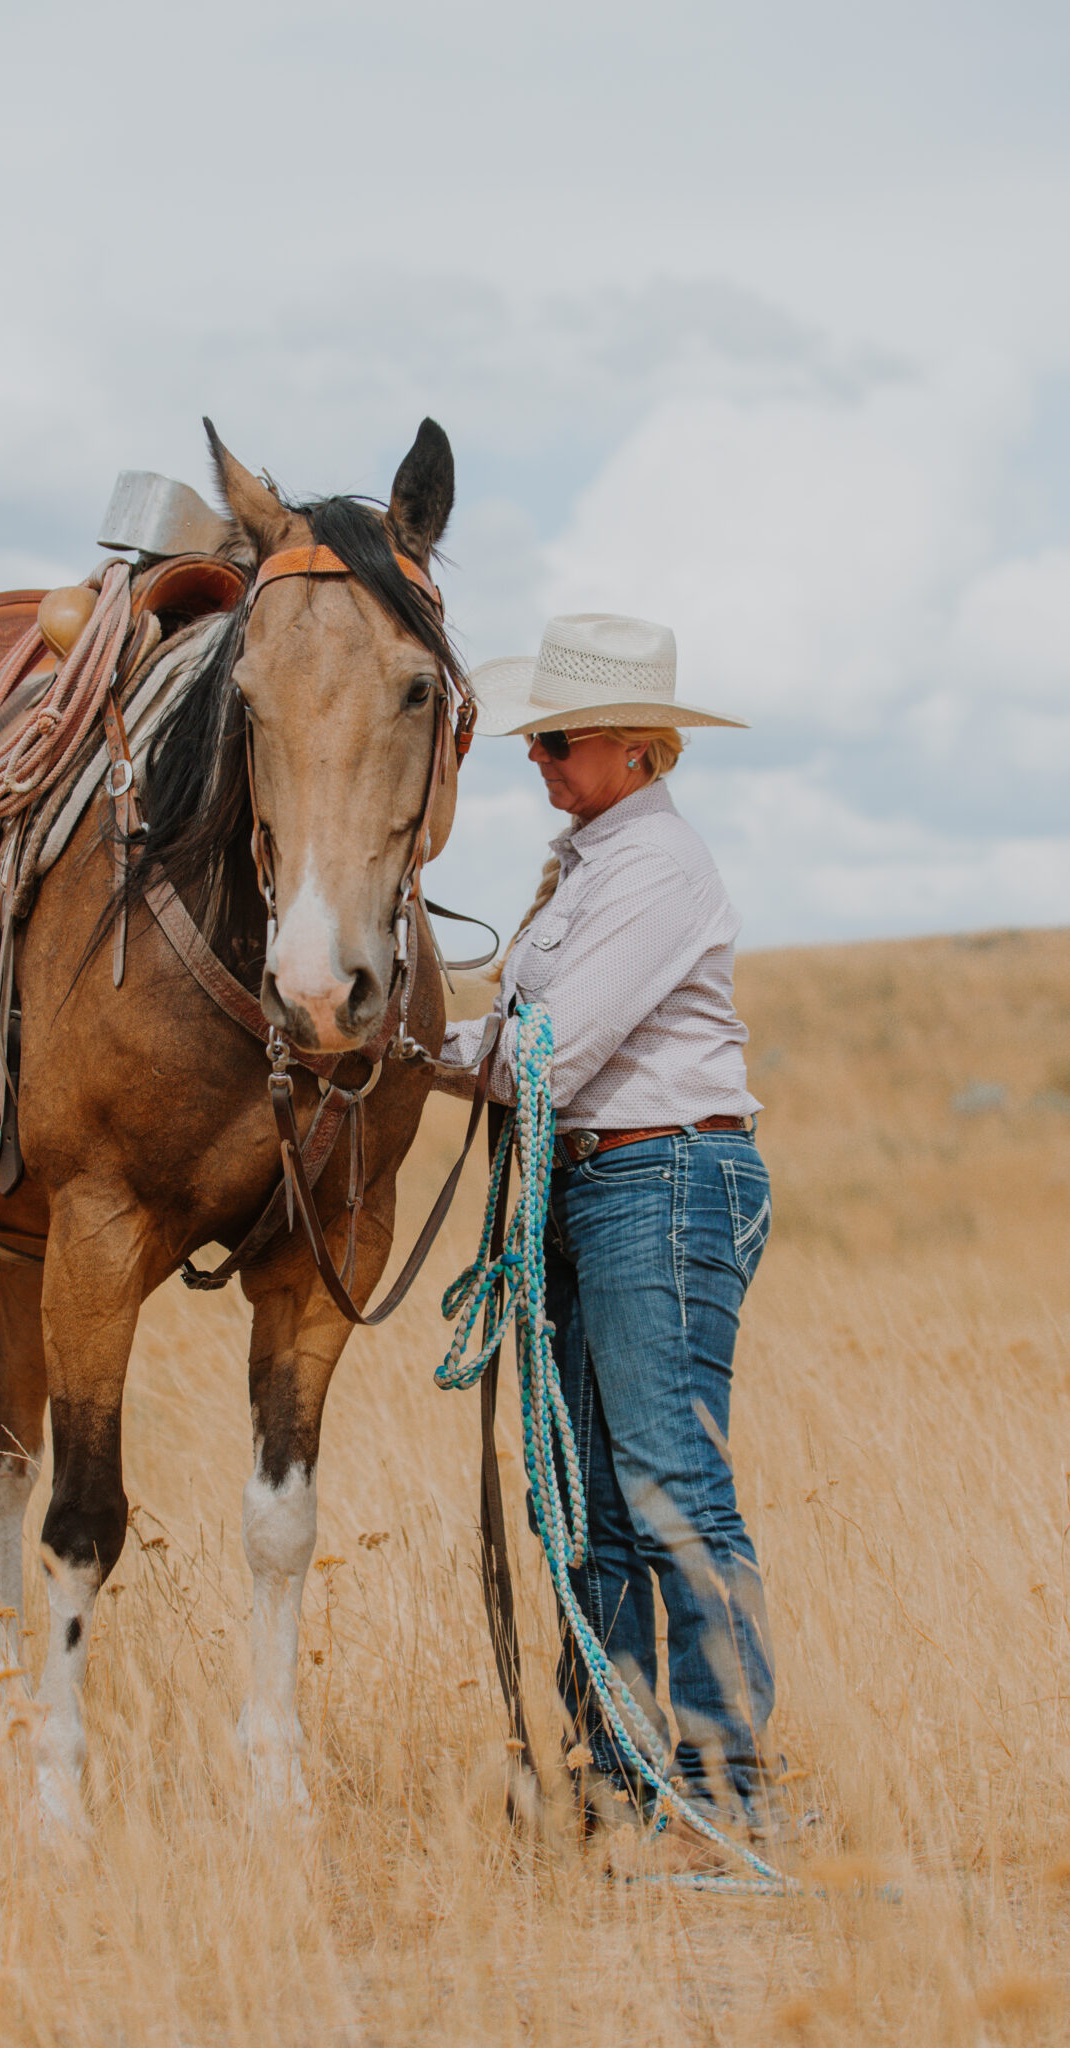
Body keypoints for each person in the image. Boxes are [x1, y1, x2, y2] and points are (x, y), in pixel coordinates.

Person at [439, 613, 779, 1856]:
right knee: (585, 1500)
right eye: (535, 739)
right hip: (596, 1184)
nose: (536, 757)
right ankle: (623, 1777)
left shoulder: (654, 866)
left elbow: (546, 1052)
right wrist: (416, 1043)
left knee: (668, 1485)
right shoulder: (592, 865)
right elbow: (525, 1048)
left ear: (638, 746)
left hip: (659, 1179)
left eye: (559, 739)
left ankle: (725, 1788)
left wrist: (413, 1047)